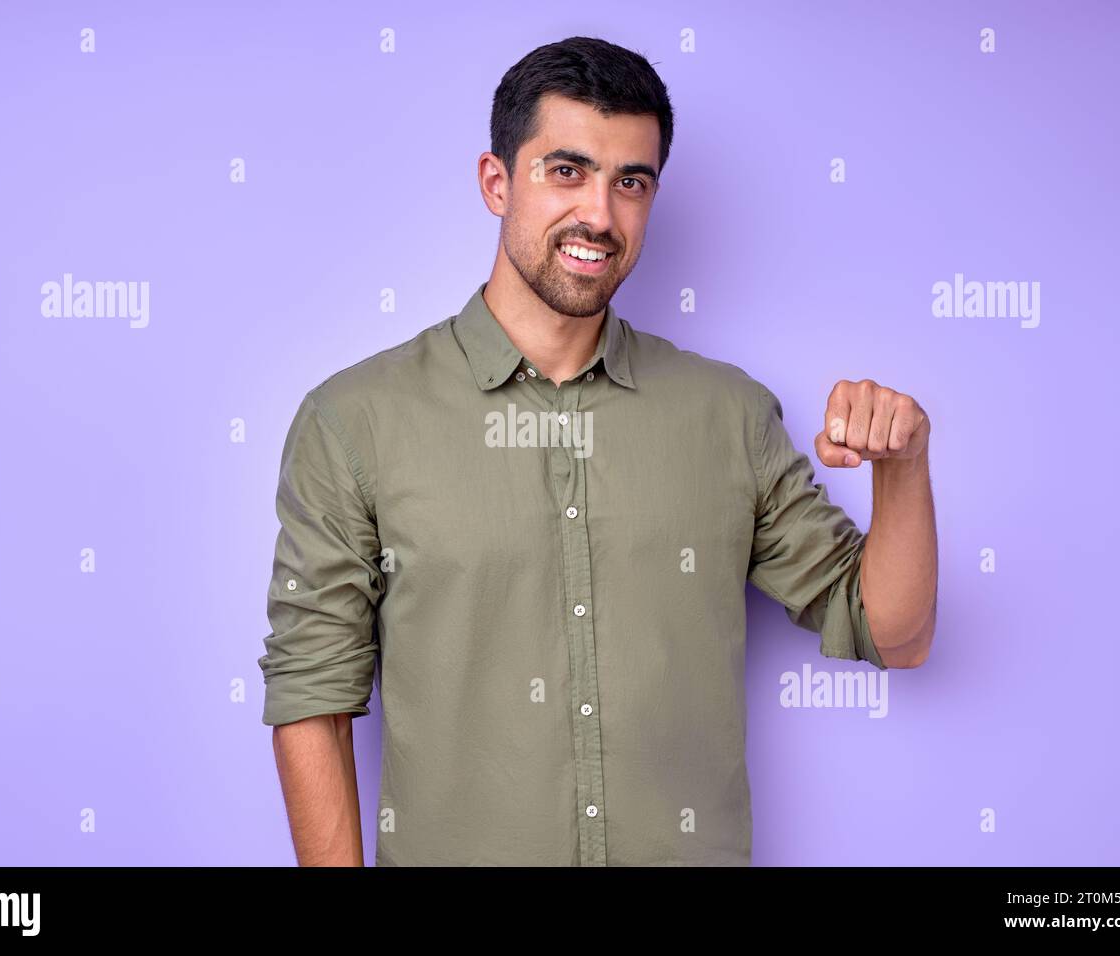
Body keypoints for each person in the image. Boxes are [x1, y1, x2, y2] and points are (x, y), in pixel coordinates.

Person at [258, 36, 937, 866]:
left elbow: (894, 635)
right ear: (497, 182)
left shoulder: (729, 414)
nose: (600, 216)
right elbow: (312, 694)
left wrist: (902, 469)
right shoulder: (353, 420)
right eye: (566, 171)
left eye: (631, 183)